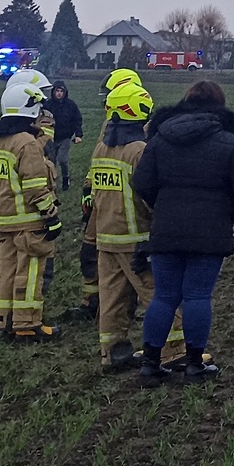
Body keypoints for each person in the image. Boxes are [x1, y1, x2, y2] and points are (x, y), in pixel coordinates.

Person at [134, 81, 234, 385]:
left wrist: (161, 206)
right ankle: (194, 366)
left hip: (166, 228)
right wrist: (232, 213)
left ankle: (150, 365)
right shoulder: (228, 141)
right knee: (197, 296)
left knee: (164, 296)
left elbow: (141, 182)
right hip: (210, 231)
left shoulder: (160, 137)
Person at [82, 82, 184, 371]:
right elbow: (151, 193)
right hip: (137, 238)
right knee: (159, 293)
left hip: (106, 238)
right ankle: (174, 349)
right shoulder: (139, 150)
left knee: (112, 298)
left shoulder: (101, 149)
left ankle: (112, 351)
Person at [0, 80, 62, 340]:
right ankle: (27, 324)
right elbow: (34, 187)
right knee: (30, 273)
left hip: (6, 219)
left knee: (6, 270)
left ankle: (4, 320)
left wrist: (43, 139)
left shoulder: (1, 142)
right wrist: (51, 214)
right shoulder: (26, 144)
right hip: (29, 221)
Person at [42, 81, 83, 191]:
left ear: (65, 92)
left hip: (65, 137)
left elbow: (77, 120)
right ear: (53, 92)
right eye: (57, 91)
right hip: (50, 138)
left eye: (61, 91)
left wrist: (78, 135)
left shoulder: (70, 105)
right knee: (51, 161)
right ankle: (52, 183)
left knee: (63, 159)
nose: (59, 93)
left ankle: (66, 178)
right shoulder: (48, 105)